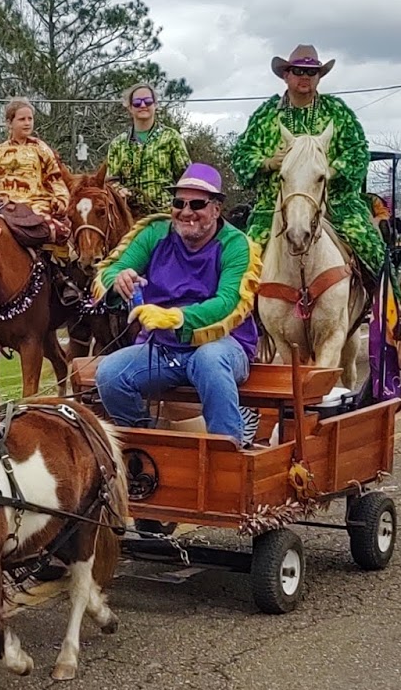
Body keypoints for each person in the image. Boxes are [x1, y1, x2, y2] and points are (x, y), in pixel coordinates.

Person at [92, 164, 261, 446]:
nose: (186, 211)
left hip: (223, 345)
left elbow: (228, 303)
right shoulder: (154, 233)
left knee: (209, 360)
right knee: (110, 374)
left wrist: (174, 317)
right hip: (162, 348)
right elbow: (110, 269)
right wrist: (118, 279)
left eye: (197, 204)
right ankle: (151, 443)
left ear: (216, 209)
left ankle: (230, 449)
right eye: (178, 202)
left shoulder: (236, 244)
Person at [230, 44, 385, 273]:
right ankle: (242, 310)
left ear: (319, 78)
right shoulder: (265, 116)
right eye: (298, 71)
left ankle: (389, 304)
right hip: (273, 209)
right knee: (242, 264)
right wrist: (268, 163)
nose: (305, 77)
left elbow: (358, 151)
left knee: (372, 250)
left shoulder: (337, 112)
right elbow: (241, 156)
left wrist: (329, 171)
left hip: (336, 206)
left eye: (312, 72)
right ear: (286, 75)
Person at [0, 98, 72, 245]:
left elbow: (55, 179)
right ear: (9, 123)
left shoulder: (40, 148)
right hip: (3, 207)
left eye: (30, 119)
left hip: (35, 207)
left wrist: (61, 200)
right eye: (22, 119)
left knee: (55, 231)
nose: (27, 123)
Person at [104, 81, 190, 219]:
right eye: (137, 103)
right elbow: (109, 180)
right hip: (129, 216)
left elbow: (186, 176)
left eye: (148, 101)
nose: (143, 105)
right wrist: (120, 190)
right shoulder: (118, 144)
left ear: (155, 105)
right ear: (130, 108)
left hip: (165, 214)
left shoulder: (171, 137)